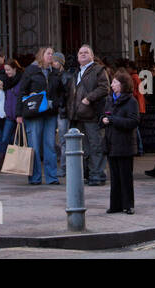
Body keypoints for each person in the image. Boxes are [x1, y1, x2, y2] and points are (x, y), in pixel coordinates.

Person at [18, 46, 63, 185]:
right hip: (33, 114)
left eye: (52, 54)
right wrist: (19, 113)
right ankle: (35, 177)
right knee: (35, 146)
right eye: (48, 53)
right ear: (41, 55)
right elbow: (21, 92)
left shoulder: (55, 73)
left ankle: (52, 177)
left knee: (50, 145)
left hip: (50, 113)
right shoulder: (30, 71)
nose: (51, 56)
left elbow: (60, 93)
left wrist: (55, 103)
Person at [68, 44, 109, 185]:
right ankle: (90, 174)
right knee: (85, 148)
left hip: (92, 114)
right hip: (79, 116)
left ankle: (98, 175)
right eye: (80, 53)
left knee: (96, 145)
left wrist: (88, 98)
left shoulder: (98, 70)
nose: (83, 54)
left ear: (92, 56)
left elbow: (104, 88)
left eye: (86, 52)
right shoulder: (76, 73)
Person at [102, 71, 141, 214]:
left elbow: (133, 121)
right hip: (111, 142)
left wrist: (112, 120)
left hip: (125, 144)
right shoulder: (109, 100)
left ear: (123, 85)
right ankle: (116, 205)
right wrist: (103, 120)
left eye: (115, 82)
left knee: (125, 176)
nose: (112, 85)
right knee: (114, 177)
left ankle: (128, 205)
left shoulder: (131, 101)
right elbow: (104, 115)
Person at [0, 56, 22, 174]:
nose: (6, 72)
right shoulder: (7, 81)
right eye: (5, 70)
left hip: (19, 115)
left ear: (15, 68)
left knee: (16, 140)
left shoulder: (21, 79)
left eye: (8, 70)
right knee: (4, 139)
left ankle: (17, 163)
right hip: (9, 115)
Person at [51, 51, 72, 169]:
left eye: (55, 61)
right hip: (55, 111)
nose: (52, 63)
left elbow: (67, 96)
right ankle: (62, 163)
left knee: (63, 140)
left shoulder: (66, 76)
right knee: (56, 140)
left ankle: (64, 166)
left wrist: (61, 105)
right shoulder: (52, 75)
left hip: (62, 111)